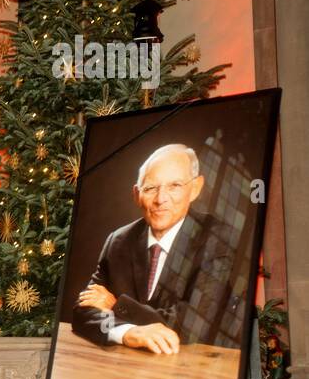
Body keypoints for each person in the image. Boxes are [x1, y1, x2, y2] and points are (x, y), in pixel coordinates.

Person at [72, 143, 243, 354]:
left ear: (196, 188)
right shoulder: (119, 241)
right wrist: (126, 333)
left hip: (198, 368)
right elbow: (83, 313)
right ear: (136, 194)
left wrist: (116, 306)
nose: (161, 199)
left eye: (175, 186)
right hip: (125, 369)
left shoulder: (219, 239)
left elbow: (190, 326)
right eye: (151, 188)